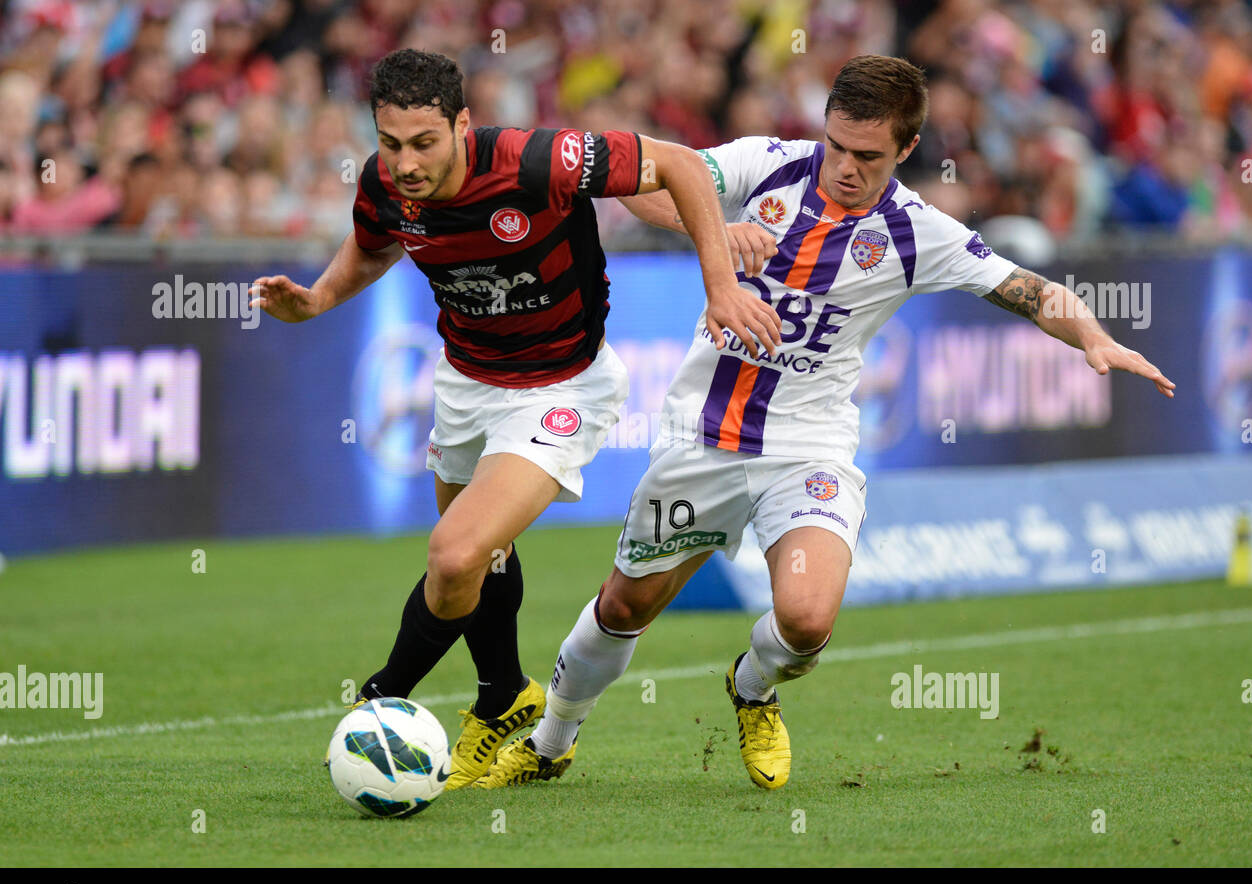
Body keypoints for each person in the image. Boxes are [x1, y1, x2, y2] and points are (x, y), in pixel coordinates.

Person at [475, 54, 1176, 790]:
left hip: (807, 448)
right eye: (836, 145)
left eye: (867, 156)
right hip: (700, 438)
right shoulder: (766, 165)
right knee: (624, 604)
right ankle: (551, 742)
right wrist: (715, 231)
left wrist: (1093, 334)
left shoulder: (915, 231)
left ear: (905, 149)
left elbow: (1023, 287)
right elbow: (646, 183)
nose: (843, 166)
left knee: (806, 619)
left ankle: (752, 687)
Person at [250, 49, 780, 790]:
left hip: (562, 388)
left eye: (424, 142)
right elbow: (372, 246)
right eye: (390, 142)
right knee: (483, 561)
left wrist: (720, 284)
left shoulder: (540, 161)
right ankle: (502, 695)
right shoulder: (383, 184)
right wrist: (313, 300)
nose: (404, 162)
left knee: (455, 554)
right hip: (464, 380)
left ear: (463, 125)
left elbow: (682, 167)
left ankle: (381, 695)